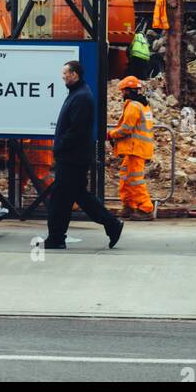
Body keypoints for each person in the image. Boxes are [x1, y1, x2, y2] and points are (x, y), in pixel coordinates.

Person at [45, 60, 123, 250]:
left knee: (60, 198)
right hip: (73, 157)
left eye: (65, 73)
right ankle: (112, 225)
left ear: (75, 74)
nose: (62, 76)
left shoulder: (81, 97)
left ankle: (56, 237)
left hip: (72, 158)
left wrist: (61, 146)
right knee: (79, 196)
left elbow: (76, 130)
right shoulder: (78, 94)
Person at [108, 75, 155, 218]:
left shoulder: (133, 106)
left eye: (123, 91)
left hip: (136, 149)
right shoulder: (143, 105)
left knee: (135, 179)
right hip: (136, 148)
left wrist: (111, 134)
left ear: (128, 91)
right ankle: (128, 205)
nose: (122, 94)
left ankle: (146, 209)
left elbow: (126, 129)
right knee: (126, 177)